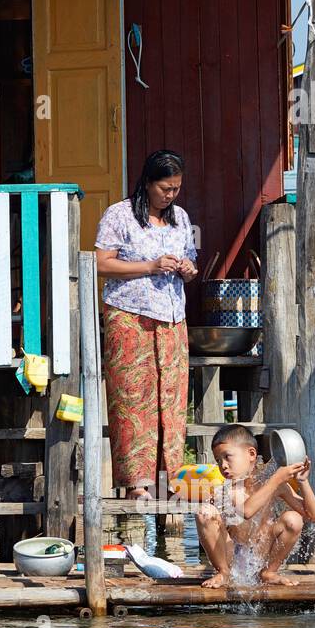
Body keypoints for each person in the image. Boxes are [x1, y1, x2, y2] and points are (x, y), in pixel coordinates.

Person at [94, 149, 198, 499]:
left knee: (172, 400)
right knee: (132, 401)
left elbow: (192, 262)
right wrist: (150, 266)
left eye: (176, 189)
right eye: (165, 188)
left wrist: (187, 268)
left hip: (172, 319)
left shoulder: (180, 217)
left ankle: (171, 480)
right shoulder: (119, 215)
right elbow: (101, 264)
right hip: (129, 317)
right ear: (148, 183)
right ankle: (136, 484)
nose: (170, 195)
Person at [196, 424, 315, 588]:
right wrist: (276, 479)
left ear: (251, 454)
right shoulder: (228, 489)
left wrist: (303, 481)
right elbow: (247, 511)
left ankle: (269, 572)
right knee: (204, 512)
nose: (223, 465)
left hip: (260, 553)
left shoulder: (272, 483)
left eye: (227, 457)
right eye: (218, 460)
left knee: (294, 519)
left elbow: (314, 516)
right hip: (231, 557)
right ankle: (223, 573)